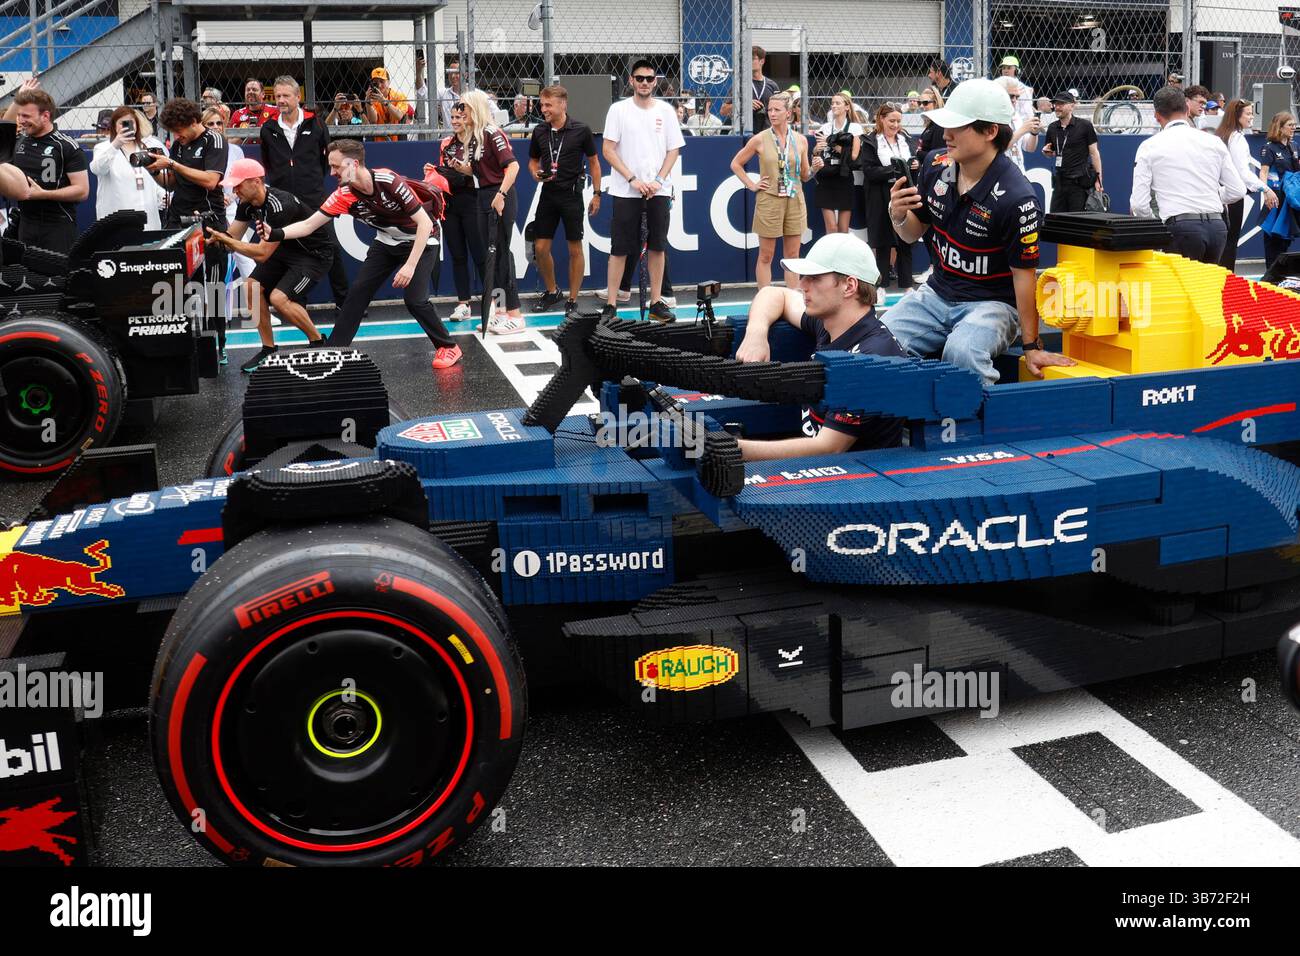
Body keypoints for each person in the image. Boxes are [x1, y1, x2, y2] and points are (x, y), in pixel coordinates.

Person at [885, 78, 1075, 385]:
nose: (946, 134)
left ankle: (976, 428)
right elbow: (911, 234)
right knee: (878, 343)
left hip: (993, 305)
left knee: (962, 353)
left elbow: (1024, 276)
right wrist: (897, 215)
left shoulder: (1017, 198)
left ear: (990, 132)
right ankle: (909, 423)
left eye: (958, 127)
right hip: (936, 293)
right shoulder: (935, 164)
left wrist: (1031, 346)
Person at [265, 138, 459, 368]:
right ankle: (335, 351)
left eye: (336, 166)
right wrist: (275, 233)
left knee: (415, 300)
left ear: (354, 164)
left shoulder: (388, 180)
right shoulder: (343, 195)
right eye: (331, 166)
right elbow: (308, 225)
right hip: (386, 243)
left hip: (422, 240)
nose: (332, 172)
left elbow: (425, 224)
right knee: (356, 296)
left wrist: (409, 265)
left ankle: (448, 347)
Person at [732, 233, 905, 461]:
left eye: (814, 277)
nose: (802, 284)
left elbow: (828, 448)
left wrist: (731, 449)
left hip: (853, 484)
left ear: (849, 286)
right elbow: (774, 294)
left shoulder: (872, 358)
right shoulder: (830, 323)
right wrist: (756, 333)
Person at [203, 158, 329, 371]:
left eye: (238, 184)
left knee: (278, 298)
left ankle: (318, 342)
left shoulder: (280, 205)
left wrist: (227, 241)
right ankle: (268, 348)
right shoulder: (247, 203)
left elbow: (261, 254)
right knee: (250, 286)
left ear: (256, 182)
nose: (234, 190)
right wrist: (213, 238)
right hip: (285, 251)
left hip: (313, 255)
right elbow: (233, 236)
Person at [145, 98, 230, 360]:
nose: (177, 136)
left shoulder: (214, 141)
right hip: (178, 221)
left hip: (209, 221)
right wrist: (153, 170)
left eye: (180, 130)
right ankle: (185, 343)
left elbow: (211, 180)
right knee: (179, 285)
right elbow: (172, 183)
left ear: (194, 122)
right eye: (172, 131)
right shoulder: (179, 144)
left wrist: (172, 164)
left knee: (213, 287)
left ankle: (219, 346)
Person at [600, 59, 684, 324]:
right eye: (640, 78)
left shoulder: (666, 111)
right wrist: (633, 179)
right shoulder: (618, 110)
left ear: (655, 81)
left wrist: (659, 180)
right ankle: (612, 304)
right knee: (620, 248)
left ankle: (656, 302)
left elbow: (674, 150)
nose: (645, 83)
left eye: (649, 78)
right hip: (627, 190)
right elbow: (608, 149)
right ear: (631, 80)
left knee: (658, 246)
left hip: (659, 190)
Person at [260, 75, 350, 314]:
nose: (281, 101)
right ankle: (295, 304)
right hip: (283, 201)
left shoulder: (317, 123)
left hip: (314, 199)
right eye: (277, 96)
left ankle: (345, 302)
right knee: (286, 252)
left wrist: (310, 183)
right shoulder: (268, 128)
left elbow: (325, 162)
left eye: (285, 96)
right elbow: (268, 163)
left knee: (331, 247)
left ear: (297, 97)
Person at [1129, 86, 1245, 264]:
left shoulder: (1149, 146)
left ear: (1157, 115)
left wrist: (1157, 224)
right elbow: (1237, 190)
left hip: (1180, 227)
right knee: (1208, 288)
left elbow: (1138, 204)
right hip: (1216, 226)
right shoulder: (1213, 142)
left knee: (1179, 289)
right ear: (1186, 108)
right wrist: (1213, 196)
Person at [729, 92, 819, 289]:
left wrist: (815, 169)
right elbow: (736, 164)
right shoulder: (759, 139)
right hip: (769, 200)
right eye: (769, 109)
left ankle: (793, 300)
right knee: (766, 254)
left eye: (777, 109)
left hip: (795, 199)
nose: (772, 113)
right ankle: (764, 299)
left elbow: (805, 175)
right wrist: (752, 185)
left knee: (793, 255)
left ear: (788, 113)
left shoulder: (801, 140)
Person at [454, 89, 526, 333]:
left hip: (499, 195)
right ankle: (501, 310)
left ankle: (516, 316)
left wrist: (501, 195)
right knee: (490, 257)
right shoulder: (474, 137)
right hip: (483, 195)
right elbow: (479, 171)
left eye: (464, 108)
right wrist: (458, 168)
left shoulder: (492, 132)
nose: (461, 112)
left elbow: (513, 167)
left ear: (475, 108)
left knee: (502, 254)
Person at [528, 84, 600, 313]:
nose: (544, 109)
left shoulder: (581, 130)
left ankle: (573, 299)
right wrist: (536, 174)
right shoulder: (539, 131)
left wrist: (597, 194)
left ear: (562, 104)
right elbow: (532, 162)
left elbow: (595, 163)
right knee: (540, 248)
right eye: (542, 105)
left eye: (548, 105)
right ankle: (553, 292)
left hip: (572, 196)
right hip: (548, 195)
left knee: (574, 249)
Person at [2, 84, 88, 251]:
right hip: (26, 223)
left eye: (26, 116)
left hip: (57, 224)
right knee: (27, 275)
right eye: (19, 116)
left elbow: (82, 191)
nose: (21, 121)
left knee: (58, 275)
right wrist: (19, 97)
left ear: (45, 116)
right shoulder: (19, 140)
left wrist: (44, 194)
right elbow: (4, 125)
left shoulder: (65, 145)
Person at [435, 102, 486, 320]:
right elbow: (444, 171)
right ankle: (463, 304)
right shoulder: (446, 143)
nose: (456, 121)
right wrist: (435, 173)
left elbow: (484, 174)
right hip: (450, 203)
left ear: (471, 118)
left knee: (480, 254)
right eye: (453, 117)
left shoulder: (479, 141)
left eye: (461, 117)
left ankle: (491, 302)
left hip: (473, 200)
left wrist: (463, 171)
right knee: (457, 255)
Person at [862, 102, 918, 294]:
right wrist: (893, 171)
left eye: (898, 121)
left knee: (906, 239)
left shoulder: (906, 139)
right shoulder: (871, 140)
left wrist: (913, 165)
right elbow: (869, 170)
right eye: (891, 120)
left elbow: (914, 162)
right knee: (883, 242)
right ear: (881, 119)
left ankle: (907, 285)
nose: (895, 125)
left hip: (904, 193)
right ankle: (882, 285)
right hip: (880, 195)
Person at [89, 106, 166, 229]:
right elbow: (97, 168)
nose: (127, 127)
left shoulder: (147, 147)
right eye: (122, 123)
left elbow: (155, 178)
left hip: (148, 219)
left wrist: (162, 195)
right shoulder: (104, 148)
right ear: (114, 126)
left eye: (131, 122)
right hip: (117, 220)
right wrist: (116, 144)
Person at [1216, 99, 1268, 272]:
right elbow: (1242, 173)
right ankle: (1227, 281)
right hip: (1232, 196)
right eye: (1248, 113)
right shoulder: (1236, 138)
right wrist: (1265, 188)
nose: (1252, 117)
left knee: (1224, 241)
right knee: (1230, 241)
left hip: (1220, 195)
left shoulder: (1224, 135)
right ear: (1236, 115)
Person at [1042, 90, 1102, 212]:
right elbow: (1052, 152)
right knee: (1055, 220)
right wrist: (1046, 152)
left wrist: (1099, 180)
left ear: (1072, 106)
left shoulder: (1085, 125)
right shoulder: (1052, 128)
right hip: (1060, 182)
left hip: (1079, 183)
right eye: (1056, 104)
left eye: (1061, 104)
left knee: (1076, 221)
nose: (1057, 107)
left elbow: (1094, 153)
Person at [812, 91, 863, 235]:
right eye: (832, 103)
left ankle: (842, 257)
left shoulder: (855, 128)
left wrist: (832, 143)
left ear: (847, 107)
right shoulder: (825, 128)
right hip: (826, 175)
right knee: (831, 228)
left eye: (838, 103)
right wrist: (816, 150)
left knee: (843, 229)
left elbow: (853, 156)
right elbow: (818, 153)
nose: (834, 106)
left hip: (844, 175)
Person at [1256, 111, 1300, 270]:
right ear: (1280, 128)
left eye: (1294, 125)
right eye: (1290, 125)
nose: (1293, 128)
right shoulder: (1269, 148)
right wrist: (1265, 191)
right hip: (1275, 197)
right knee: (1273, 238)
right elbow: (1263, 172)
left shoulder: (1294, 146)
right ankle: (1271, 276)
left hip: (1291, 199)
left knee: (1286, 239)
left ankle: (1282, 276)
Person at [994, 75, 1041, 171]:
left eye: (1017, 97)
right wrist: (1023, 130)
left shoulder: (1016, 116)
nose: (1014, 100)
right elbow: (998, 149)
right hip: (999, 174)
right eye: (1011, 96)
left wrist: (1034, 132)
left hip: (1018, 171)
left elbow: (1029, 148)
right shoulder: (991, 119)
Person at [365, 67, 414, 139]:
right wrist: (368, 103)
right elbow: (373, 120)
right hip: (379, 141)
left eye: (382, 81)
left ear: (388, 82)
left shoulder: (399, 96)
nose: (379, 85)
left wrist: (384, 101)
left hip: (398, 141)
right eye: (375, 83)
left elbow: (399, 116)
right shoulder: (373, 99)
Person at [915, 86, 946, 158]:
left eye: (925, 103)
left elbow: (938, 157)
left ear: (935, 103)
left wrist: (918, 153)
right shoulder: (931, 124)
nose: (921, 106)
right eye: (920, 103)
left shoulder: (939, 125)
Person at [439, 60, 463, 129]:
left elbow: (495, 111)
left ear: (466, 74)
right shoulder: (443, 93)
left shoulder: (475, 93)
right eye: (450, 73)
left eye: (456, 72)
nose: (452, 76)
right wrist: (419, 71)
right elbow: (423, 93)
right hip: (449, 137)